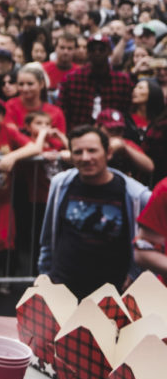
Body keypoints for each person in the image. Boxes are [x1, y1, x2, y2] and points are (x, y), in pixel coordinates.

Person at [38, 125, 151, 298]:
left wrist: (134, 275)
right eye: (78, 152)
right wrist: (45, 274)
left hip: (110, 291)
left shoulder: (134, 194)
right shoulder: (61, 184)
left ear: (108, 153)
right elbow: (48, 235)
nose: (85, 158)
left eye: (92, 151)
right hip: (63, 286)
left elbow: (146, 242)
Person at [59, 34, 134, 130]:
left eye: (101, 49)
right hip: (78, 134)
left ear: (110, 52)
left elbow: (129, 111)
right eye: (92, 50)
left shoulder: (123, 81)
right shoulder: (72, 79)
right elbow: (62, 110)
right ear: (87, 52)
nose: (97, 53)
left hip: (113, 133)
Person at [5, 63, 66, 134]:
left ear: (42, 84)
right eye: (21, 84)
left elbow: (60, 141)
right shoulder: (10, 106)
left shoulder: (55, 113)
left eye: (30, 84)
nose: (25, 88)